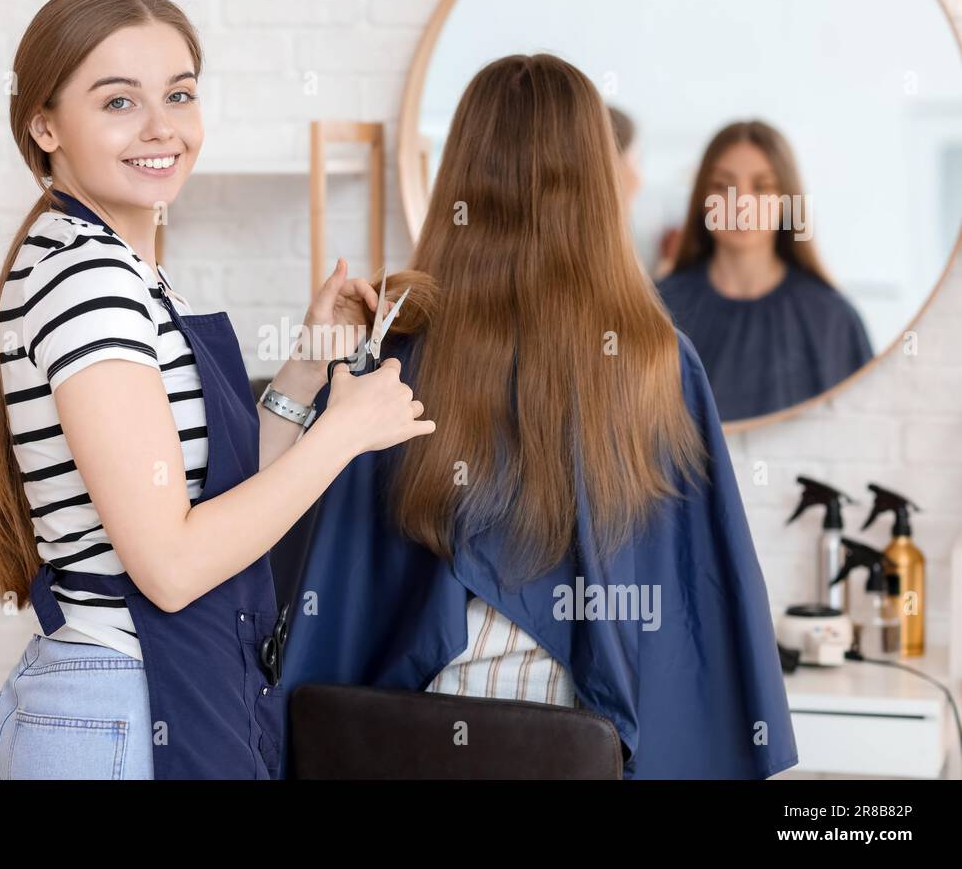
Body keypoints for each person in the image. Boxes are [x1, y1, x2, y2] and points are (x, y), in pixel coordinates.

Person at [275, 55, 798, 779]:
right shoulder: (653, 360)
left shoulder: (395, 353)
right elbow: (700, 597)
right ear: (596, 178)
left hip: (405, 741)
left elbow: (318, 576)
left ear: (461, 174)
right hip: (572, 748)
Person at [0, 0, 434, 780]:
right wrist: (344, 434)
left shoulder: (123, 272)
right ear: (44, 126)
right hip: (116, 710)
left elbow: (213, 497)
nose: (162, 128)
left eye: (179, 95)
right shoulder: (89, 283)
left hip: (130, 697)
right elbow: (172, 566)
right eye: (119, 101)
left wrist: (307, 365)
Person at [657, 120, 874, 421]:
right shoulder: (657, 309)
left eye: (762, 187)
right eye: (723, 186)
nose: (741, 203)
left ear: (787, 200)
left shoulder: (833, 319)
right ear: (702, 200)